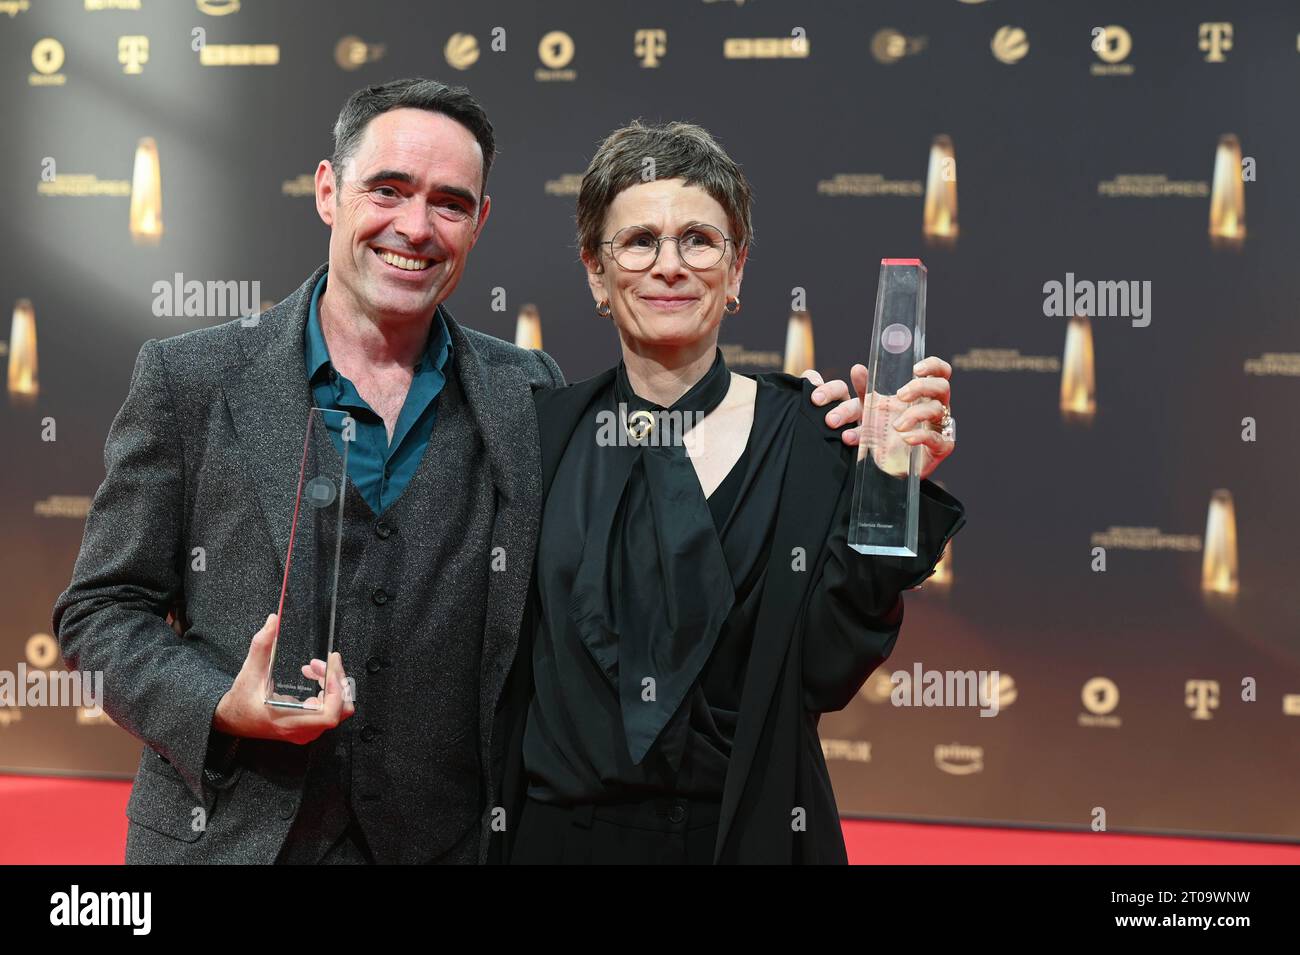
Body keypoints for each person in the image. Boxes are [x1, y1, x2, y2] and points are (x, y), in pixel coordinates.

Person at [52, 80, 865, 864]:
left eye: (448, 202)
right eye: (389, 190)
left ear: (480, 222)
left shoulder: (528, 395)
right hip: (229, 840)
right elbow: (99, 610)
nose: (415, 226)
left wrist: (823, 424)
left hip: (450, 844)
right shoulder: (191, 379)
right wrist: (220, 704)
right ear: (329, 191)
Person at [491, 121, 966, 864]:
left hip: (749, 838)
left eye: (700, 241)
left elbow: (825, 669)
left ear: (737, 269)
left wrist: (890, 485)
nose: (669, 266)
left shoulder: (810, 437)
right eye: (639, 240)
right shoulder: (538, 436)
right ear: (595, 271)